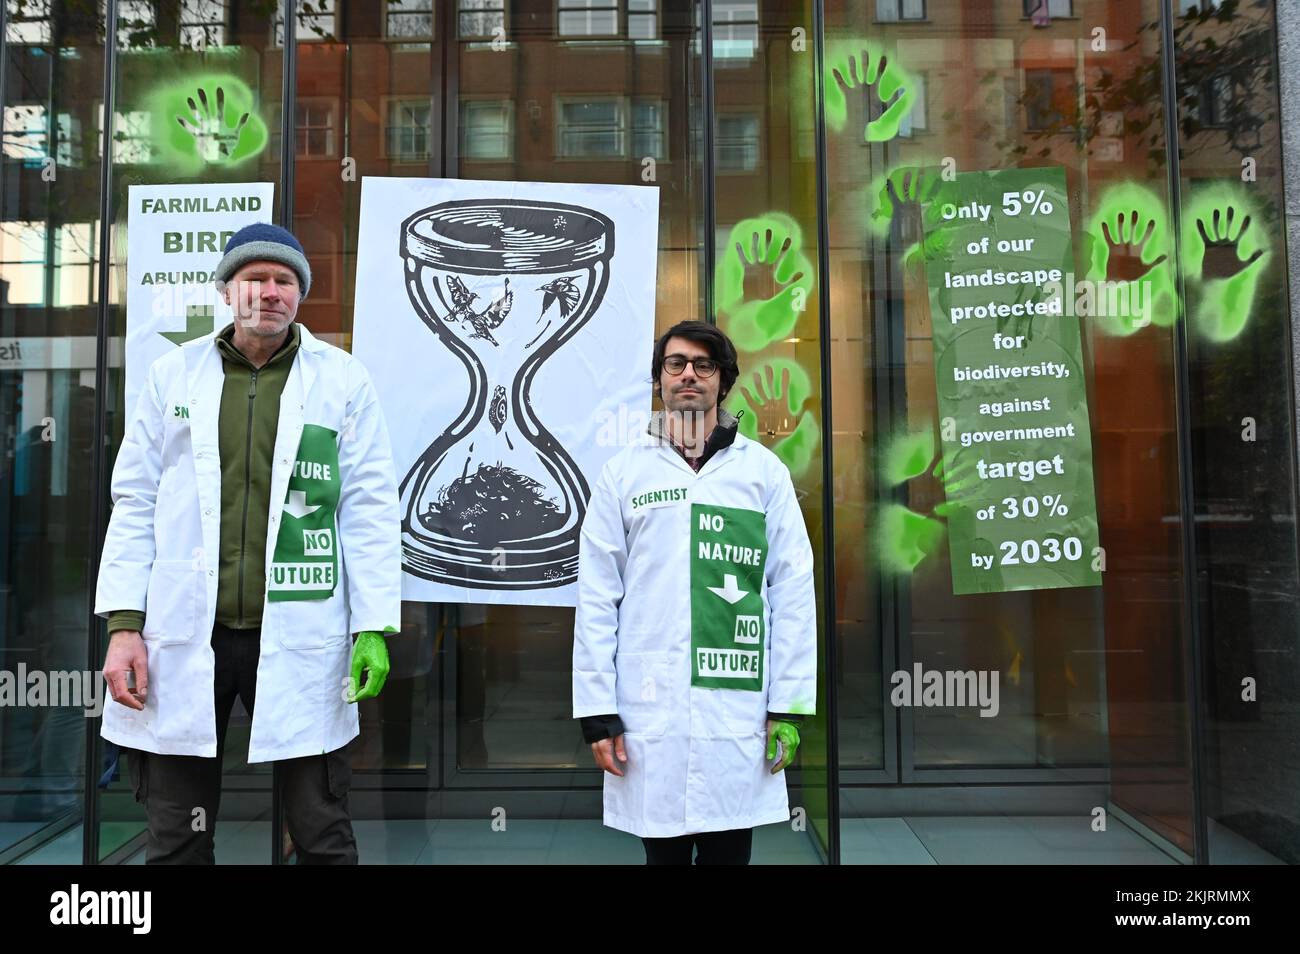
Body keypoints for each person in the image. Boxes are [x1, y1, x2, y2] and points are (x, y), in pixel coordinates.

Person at [96, 222, 401, 864]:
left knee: (320, 827)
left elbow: (369, 508)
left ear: (300, 296)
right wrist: (125, 625)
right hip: (185, 634)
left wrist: (372, 625)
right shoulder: (172, 376)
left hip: (299, 631)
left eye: (284, 281)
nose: (269, 292)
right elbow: (135, 502)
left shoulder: (343, 382)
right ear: (227, 290)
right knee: (177, 834)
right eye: (254, 279)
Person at [573, 320, 817, 865]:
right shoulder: (623, 474)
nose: (689, 375)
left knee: (730, 853)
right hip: (648, 703)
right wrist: (598, 712)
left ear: (723, 383)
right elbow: (596, 598)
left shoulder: (762, 474)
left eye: (704, 365)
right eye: (675, 363)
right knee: (662, 857)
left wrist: (789, 707)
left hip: (738, 705)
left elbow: (793, 589)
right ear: (659, 380)